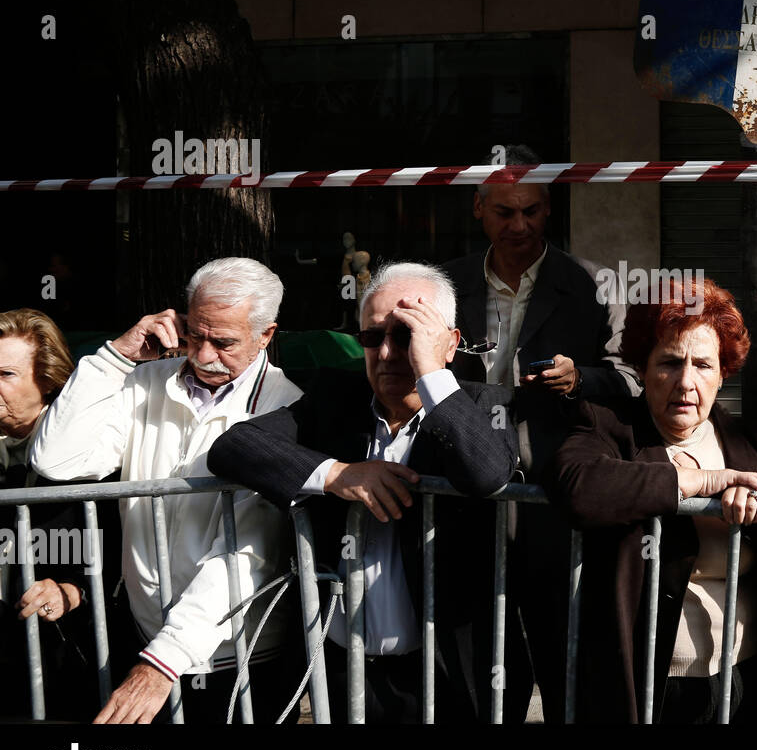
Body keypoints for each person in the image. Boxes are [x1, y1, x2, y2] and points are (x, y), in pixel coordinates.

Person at [208, 262, 519, 723]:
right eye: (373, 338)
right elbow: (233, 447)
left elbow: (486, 474)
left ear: (448, 343)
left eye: (407, 335)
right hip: (342, 671)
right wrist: (336, 474)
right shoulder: (335, 397)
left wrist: (432, 373)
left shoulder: (483, 404)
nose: (388, 353)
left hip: (447, 676)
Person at [30, 257, 305, 724]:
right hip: (146, 639)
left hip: (241, 654)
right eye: (196, 334)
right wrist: (116, 355)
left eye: (224, 342)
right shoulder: (142, 380)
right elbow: (56, 461)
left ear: (267, 335)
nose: (203, 355)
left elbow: (245, 554)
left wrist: (164, 659)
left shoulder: (288, 406)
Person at [550, 276, 757, 723]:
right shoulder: (607, 426)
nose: (685, 383)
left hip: (746, 673)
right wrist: (700, 482)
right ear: (642, 367)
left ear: (723, 373)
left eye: (702, 364)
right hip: (648, 684)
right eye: (669, 363)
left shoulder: (751, 446)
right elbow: (579, 487)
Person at [442, 149, 638, 722]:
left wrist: (581, 377)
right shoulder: (446, 283)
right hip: (469, 491)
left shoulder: (591, 284)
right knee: (481, 651)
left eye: (531, 211)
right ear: (479, 209)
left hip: (555, 490)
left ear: (548, 208)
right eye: (504, 212)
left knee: (564, 648)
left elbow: (629, 377)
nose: (519, 225)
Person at [0, 308, 110, 720]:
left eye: (6, 374)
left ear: (46, 381)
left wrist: (70, 592)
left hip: (70, 659)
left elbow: (121, 547)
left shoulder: (93, 456)